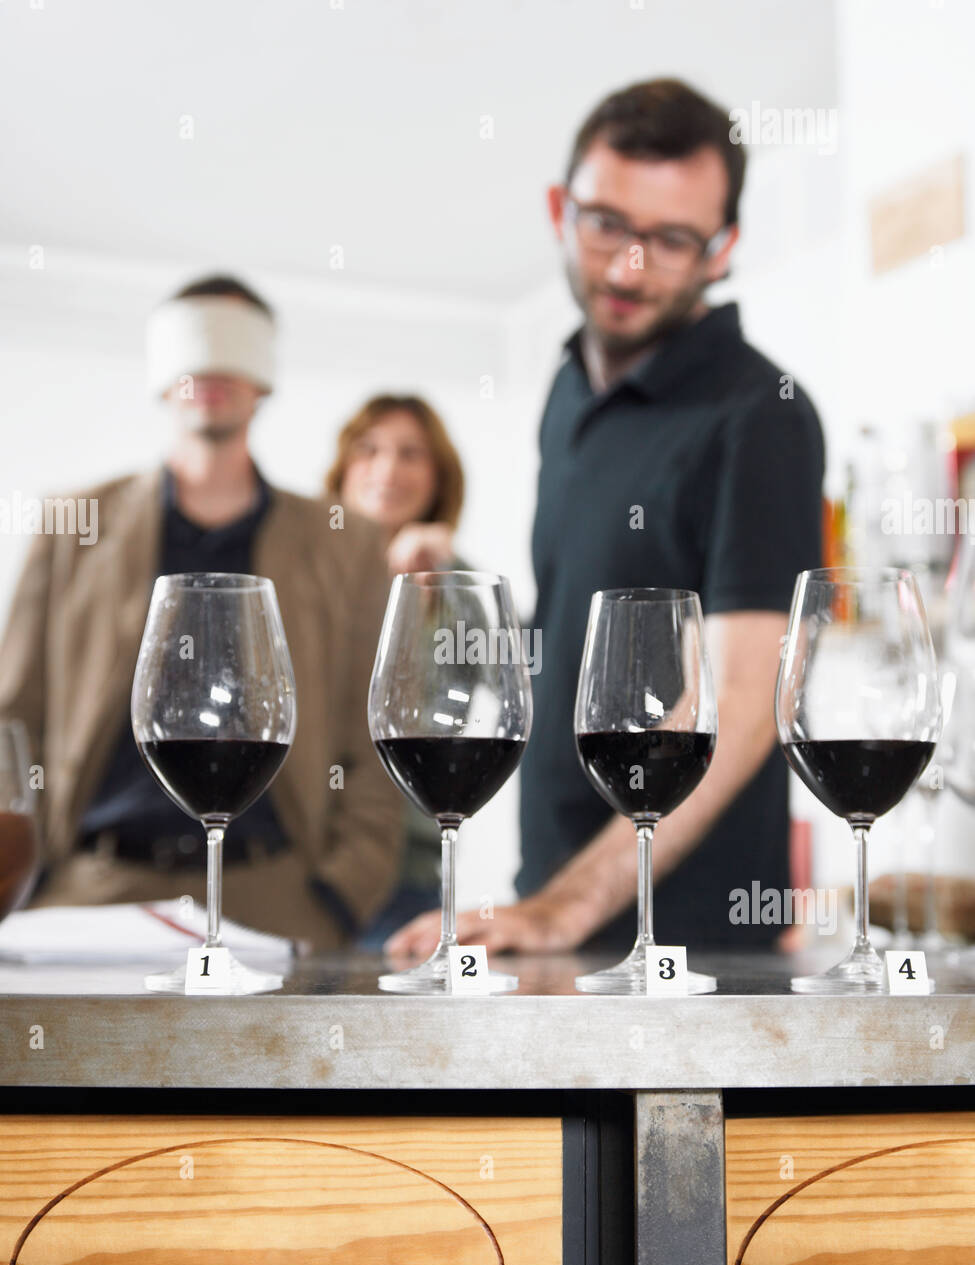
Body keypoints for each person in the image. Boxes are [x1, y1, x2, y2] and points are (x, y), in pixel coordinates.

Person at [387, 77, 824, 961]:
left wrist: (566, 907)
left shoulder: (762, 415)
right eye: (606, 225)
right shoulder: (565, 390)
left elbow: (745, 699)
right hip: (547, 903)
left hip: (697, 939)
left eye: (670, 239)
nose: (629, 267)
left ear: (723, 246)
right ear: (560, 207)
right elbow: (576, 624)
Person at [0, 274, 403, 949]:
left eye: (234, 351)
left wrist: (339, 894)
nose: (211, 373)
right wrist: (27, 875)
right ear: (159, 372)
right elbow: (13, 717)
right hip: (92, 890)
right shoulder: (71, 526)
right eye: (193, 350)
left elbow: (372, 729)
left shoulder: (347, 543)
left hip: (279, 897)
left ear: (265, 377)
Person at [324, 393, 468, 943]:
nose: (387, 469)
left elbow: (499, 688)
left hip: (401, 878)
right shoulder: (298, 575)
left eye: (411, 453)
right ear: (343, 470)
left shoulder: (460, 582)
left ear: (437, 477)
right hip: (291, 872)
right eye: (369, 450)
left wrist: (445, 575)